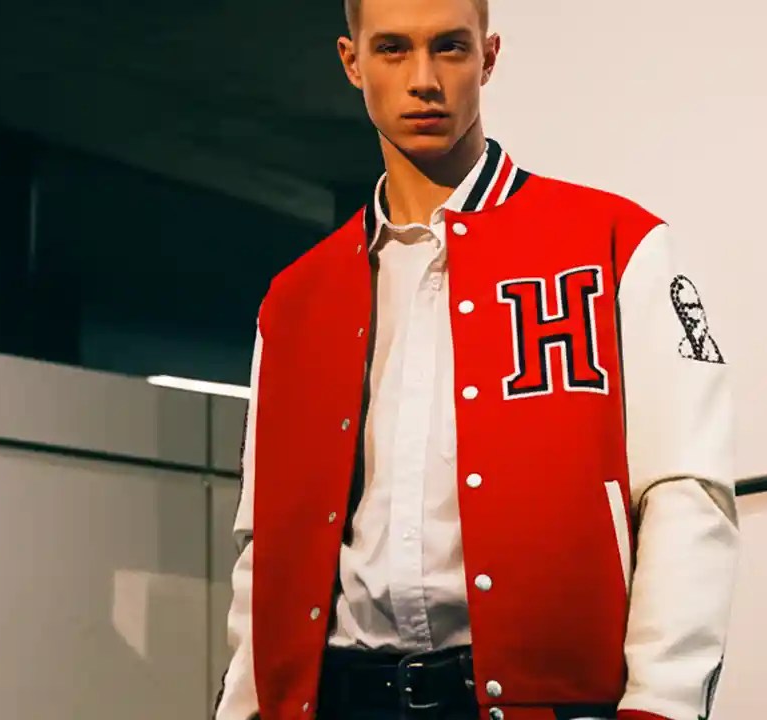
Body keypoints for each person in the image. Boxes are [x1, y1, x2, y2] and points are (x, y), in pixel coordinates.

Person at [215, 0, 740, 717]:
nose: (423, 79)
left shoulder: (615, 243)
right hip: (339, 699)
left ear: (489, 57)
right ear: (351, 61)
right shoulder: (295, 301)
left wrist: (663, 704)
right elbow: (266, 550)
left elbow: (686, 495)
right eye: (393, 49)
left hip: (538, 702)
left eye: (451, 48)